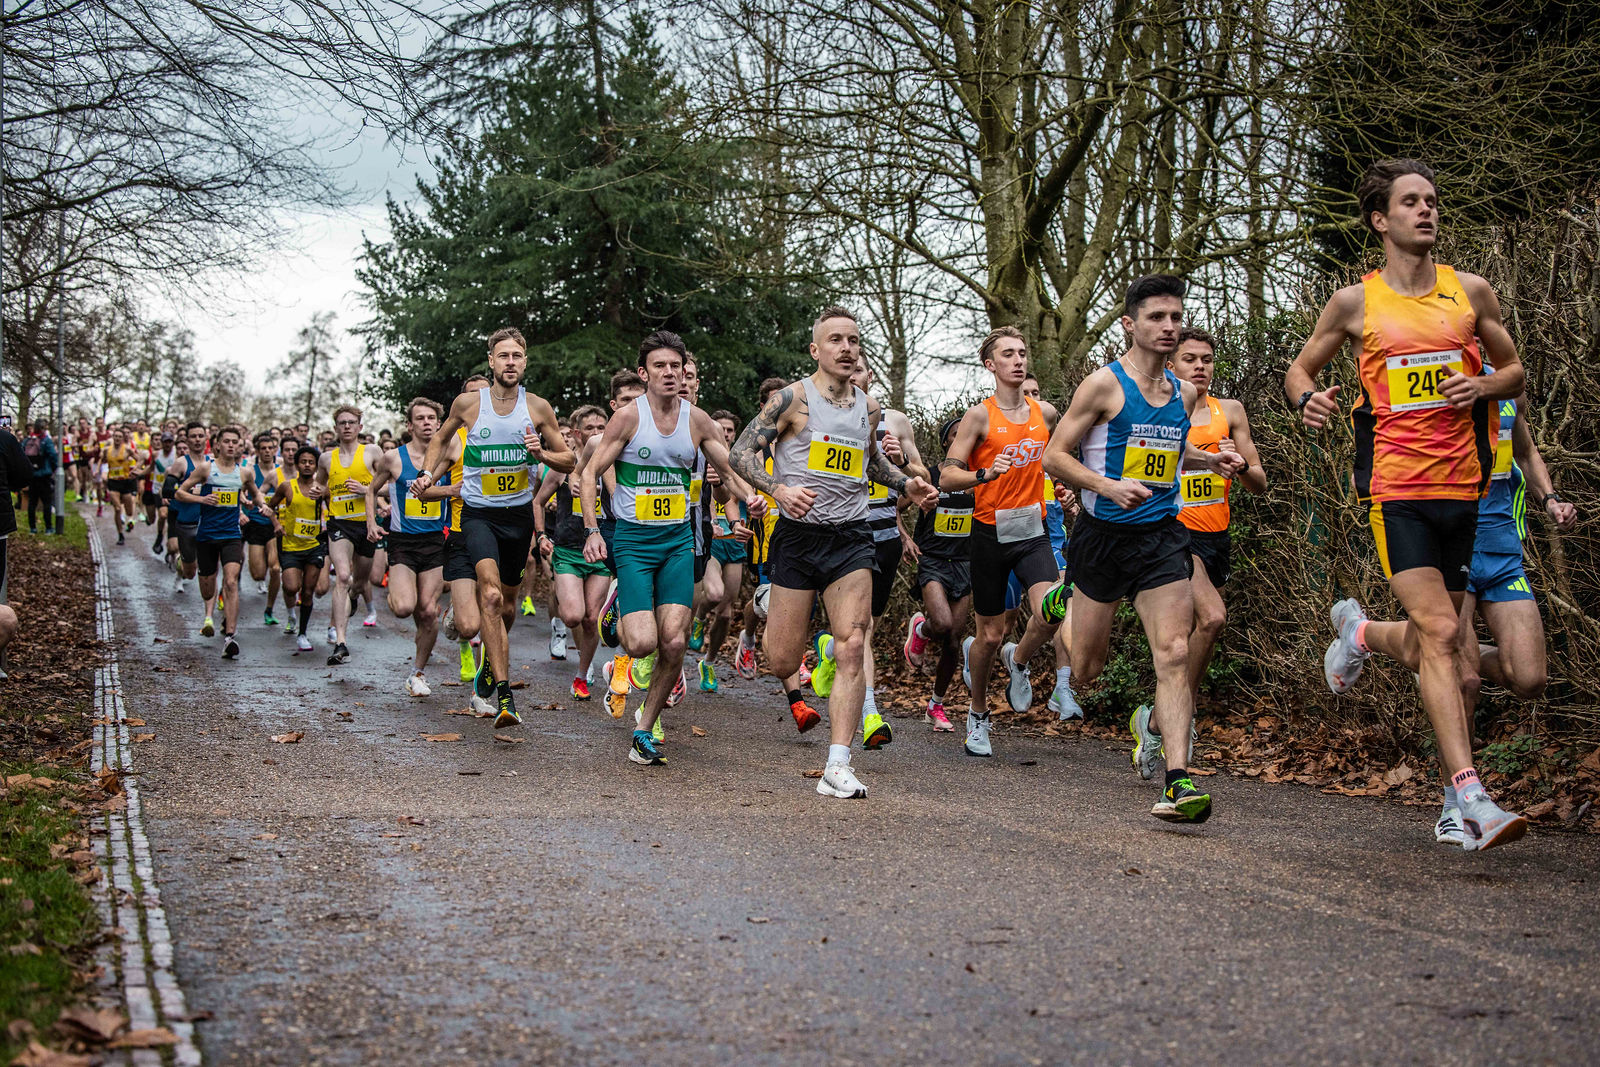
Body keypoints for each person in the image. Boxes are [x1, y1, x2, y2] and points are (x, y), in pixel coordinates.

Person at [1290, 158, 1530, 851]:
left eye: (1432, 200)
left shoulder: (1470, 292)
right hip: (1396, 490)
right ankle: (1469, 793)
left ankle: (1360, 634)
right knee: (1442, 632)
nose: (1427, 211)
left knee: (1439, 642)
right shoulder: (1355, 303)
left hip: (1466, 487)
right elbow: (1299, 368)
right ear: (1380, 220)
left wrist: (1484, 390)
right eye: (1412, 202)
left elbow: (1513, 367)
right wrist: (1310, 399)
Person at [1321, 371, 1574, 845]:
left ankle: (1361, 632)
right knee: (1465, 678)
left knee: (1530, 678)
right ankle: (1454, 806)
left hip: (1503, 551)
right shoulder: (1430, 381)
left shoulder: (1506, 389)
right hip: (1454, 544)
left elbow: (1525, 451)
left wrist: (1550, 498)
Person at [1043, 274, 1245, 823]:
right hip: (1102, 538)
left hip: (1160, 537)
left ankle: (1177, 780)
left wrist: (1211, 461)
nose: (1170, 327)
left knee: (1175, 653)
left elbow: (1171, 454)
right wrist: (1104, 487)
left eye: (1176, 317)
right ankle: (1065, 606)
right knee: (1085, 669)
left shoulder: (1182, 393)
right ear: (1130, 324)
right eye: (1157, 317)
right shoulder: (1103, 386)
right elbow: (1053, 457)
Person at [730, 307, 936, 798]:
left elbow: (873, 464)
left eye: (853, 340)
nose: (847, 348)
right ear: (815, 350)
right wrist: (778, 490)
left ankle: (837, 764)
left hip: (851, 536)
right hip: (798, 539)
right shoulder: (792, 399)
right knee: (780, 659)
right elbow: (739, 454)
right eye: (836, 340)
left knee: (852, 642)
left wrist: (908, 481)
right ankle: (794, 637)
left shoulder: (866, 405)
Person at [582, 332, 763, 765]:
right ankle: (622, 605)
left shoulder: (697, 420)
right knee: (642, 643)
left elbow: (729, 468)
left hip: (678, 541)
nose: (670, 373)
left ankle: (644, 729)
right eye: (660, 366)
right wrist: (592, 530)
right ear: (644, 373)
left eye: (676, 367)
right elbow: (590, 474)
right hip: (634, 541)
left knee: (676, 641)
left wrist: (752, 495)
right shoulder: (628, 418)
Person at [413, 329, 574, 728]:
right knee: (488, 596)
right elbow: (440, 438)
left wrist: (543, 454)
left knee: (505, 605)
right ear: (491, 361)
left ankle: (490, 666)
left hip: (517, 519)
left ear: (525, 362)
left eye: (517, 355)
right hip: (478, 515)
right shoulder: (469, 404)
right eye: (503, 355)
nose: (510, 362)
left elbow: (569, 461)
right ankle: (504, 699)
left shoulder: (538, 408)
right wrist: (426, 474)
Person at [1132, 326, 1268, 752]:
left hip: (1216, 535)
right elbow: (1139, 472)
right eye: (1190, 359)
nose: (1200, 367)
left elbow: (1260, 483)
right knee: (1213, 617)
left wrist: (1238, 462)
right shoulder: (1162, 409)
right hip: (1173, 534)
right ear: (1171, 364)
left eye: (1206, 360)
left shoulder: (1231, 410)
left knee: (1195, 632)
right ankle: (1179, 717)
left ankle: (1157, 720)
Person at [938, 328, 1067, 757]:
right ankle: (977, 713)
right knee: (989, 636)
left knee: (1053, 607)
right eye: (1007, 354)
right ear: (990, 366)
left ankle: (1020, 660)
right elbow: (947, 475)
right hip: (989, 533)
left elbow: (1064, 456)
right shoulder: (979, 417)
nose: (1018, 360)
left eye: (1022, 353)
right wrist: (985, 474)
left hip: (1032, 530)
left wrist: (1065, 485)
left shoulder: (1044, 413)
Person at [810, 361, 928, 749]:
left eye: (861, 368)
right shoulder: (817, 412)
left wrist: (900, 460)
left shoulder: (895, 420)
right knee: (859, 632)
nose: (854, 373)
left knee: (864, 631)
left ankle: (831, 652)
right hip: (840, 535)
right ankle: (870, 711)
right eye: (850, 369)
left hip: (884, 538)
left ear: (870, 376)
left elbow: (920, 479)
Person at [370, 398, 450, 696]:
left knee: (428, 612)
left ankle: (417, 673)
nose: (427, 423)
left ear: (439, 423)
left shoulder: (449, 455)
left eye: (432, 418)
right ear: (410, 424)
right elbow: (371, 489)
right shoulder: (393, 458)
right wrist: (371, 522)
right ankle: (396, 595)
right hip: (402, 542)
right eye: (420, 418)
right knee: (406, 607)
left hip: (434, 541)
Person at [175, 425, 275, 658]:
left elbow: (255, 491)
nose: (231, 445)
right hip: (207, 536)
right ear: (217, 445)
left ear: (240, 445)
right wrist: (202, 499)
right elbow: (180, 493)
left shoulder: (244, 472)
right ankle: (212, 609)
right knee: (208, 587)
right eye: (227, 441)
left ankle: (230, 636)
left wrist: (261, 504)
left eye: (235, 442)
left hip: (231, 535)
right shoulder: (206, 469)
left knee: (231, 582)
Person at [533, 404, 611, 701]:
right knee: (573, 615)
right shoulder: (563, 468)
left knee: (592, 619)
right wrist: (541, 535)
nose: (596, 434)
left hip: (600, 551)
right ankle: (570, 638)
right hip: (567, 550)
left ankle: (582, 673)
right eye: (590, 429)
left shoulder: (614, 465)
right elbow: (538, 501)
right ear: (577, 433)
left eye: (601, 428)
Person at [903, 417, 973, 732]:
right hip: (932, 560)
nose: (964, 440)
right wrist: (904, 537)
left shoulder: (979, 478)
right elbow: (896, 506)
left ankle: (936, 705)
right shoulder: (931, 476)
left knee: (953, 642)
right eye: (957, 435)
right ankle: (920, 630)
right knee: (942, 624)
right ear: (947, 443)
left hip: (965, 563)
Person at [434, 373, 492, 685]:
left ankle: (488, 669)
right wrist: (452, 490)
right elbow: (423, 488)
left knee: (495, 604)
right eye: (472, 395)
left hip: (499, 533)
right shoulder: (456, 439)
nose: (479, 401)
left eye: (485, 394)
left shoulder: (512, 433)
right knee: (469, 625)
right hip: (461, 534)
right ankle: (462, 635)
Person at [689, 410, 753, 693]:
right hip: (712, 540)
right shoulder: (704, 456)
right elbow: (707, 496)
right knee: (713, 594)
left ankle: (709, 662)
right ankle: (699, 620)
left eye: (730, 430)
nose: (725, 434)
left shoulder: (738, 462)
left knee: (727, 613)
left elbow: (745, 493)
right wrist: (714, 521)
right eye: (722, 429)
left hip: (735, 541)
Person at [316, 405, 383, 666]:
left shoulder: (373, 453)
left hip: (366, 525)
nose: (346, 426)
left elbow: (391, 483)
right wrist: (316, 492)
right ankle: (340, 642)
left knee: (359, 582)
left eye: (351, 422)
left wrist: (366, 489)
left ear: (360, 427)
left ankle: (355, 597)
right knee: (342, 576)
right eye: (342, 423)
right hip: (339, 524)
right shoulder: (325, 458)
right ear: (335, 428)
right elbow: (320, 485)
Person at [267, 446, 328, 652]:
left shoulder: (321, 488)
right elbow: (271, 506)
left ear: (316, 466)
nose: (307, 465)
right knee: (291, 587)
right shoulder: (287, 486)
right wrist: (276, 524)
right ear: (297, 463)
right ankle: (291, 613)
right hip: (291, 546)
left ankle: (302, 633)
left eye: (311, 462)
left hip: (314, 546)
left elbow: (334, 509)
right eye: (304, 461)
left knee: (308, 591)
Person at [242, 432, 284, 627]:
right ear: (257, 451)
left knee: (276, 569)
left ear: (276, 450)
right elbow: (240, 493)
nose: (267, 452)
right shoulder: (250, 471)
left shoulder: (281, 471)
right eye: (263, 449)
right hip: (255, 523)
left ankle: (269, 608)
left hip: (276, 526)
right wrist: (244, 505)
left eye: (270, 448)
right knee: (259, 574)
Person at [102, 427, 143, 543]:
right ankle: (120, 535)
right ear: (113, 437)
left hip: (125, 482)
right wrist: (102, 472)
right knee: (117, 508)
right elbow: (102, 460)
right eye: (116, 436)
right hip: (113, 482)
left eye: (120, 437)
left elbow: (139, 459)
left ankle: (129, 519)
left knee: (129, 511)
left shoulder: (127, 449)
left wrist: (135, 470)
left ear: (122, 438)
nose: (117, 438)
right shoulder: (107, 450)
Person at [24, 422, 59, 535]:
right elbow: (53, 456)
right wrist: (53, 469)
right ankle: (48, 528)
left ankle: (32, 528)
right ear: (43, 428)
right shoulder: (46, 440)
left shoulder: (29, 440)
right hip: (44, 475)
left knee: (32, 503)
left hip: (32, 476)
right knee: (47, 502)